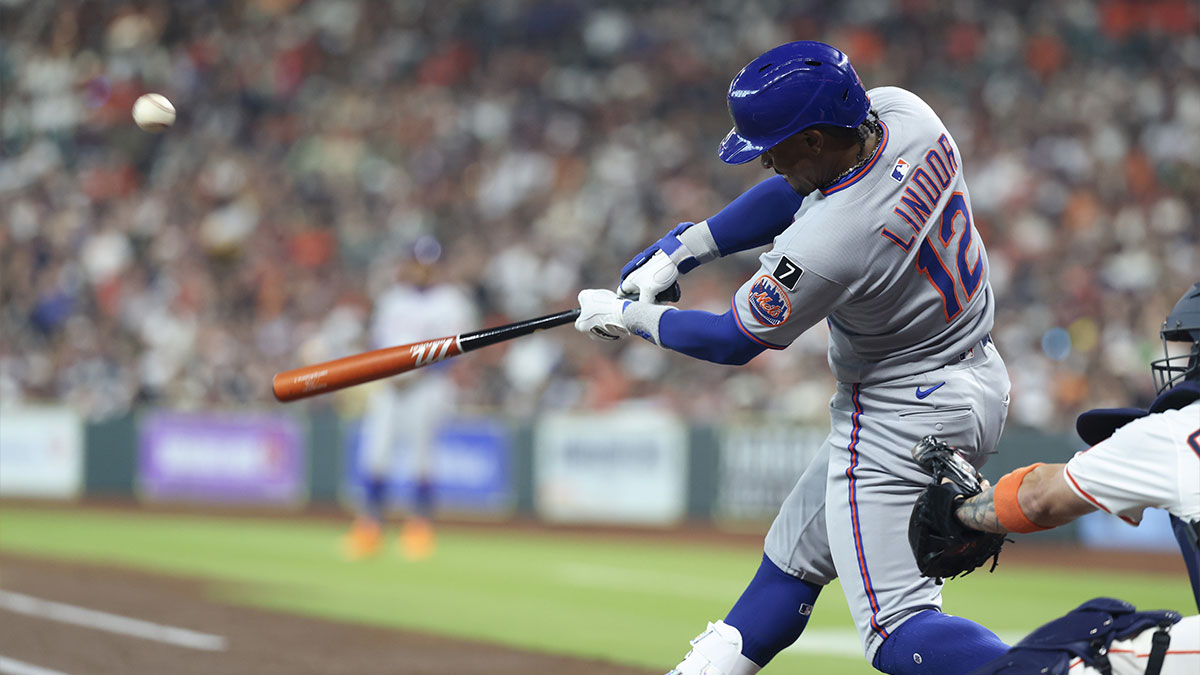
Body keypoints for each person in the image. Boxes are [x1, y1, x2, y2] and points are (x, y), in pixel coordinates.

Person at [575, 41, 1012, 674]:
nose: (766, 161)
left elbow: (731, 340)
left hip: (902, 413)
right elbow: (805, 190)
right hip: (968, 377)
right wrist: (684, 249)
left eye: (775, 146)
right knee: (791, 563)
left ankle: (1061, 669)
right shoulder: (906, 115)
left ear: (812, 138)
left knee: (898, 629)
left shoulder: (834, 238)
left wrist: (629, 317)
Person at [931, 282, 1200, 674]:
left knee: (1068, 656)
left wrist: (959, 511)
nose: (1188, 360)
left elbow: (1041, 498)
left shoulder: (1179, 430)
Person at [342, 236, 476, 561]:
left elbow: (456, 349)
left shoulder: (452, 301)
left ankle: (419, 530)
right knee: (376, 456)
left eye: (427, 264)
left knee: (421, 459)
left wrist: (418, 373)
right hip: (389, 387)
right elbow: (376, 343)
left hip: (426, 388)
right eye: (416, 262)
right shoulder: (393, 299)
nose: (420, 269)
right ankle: (370, 528)